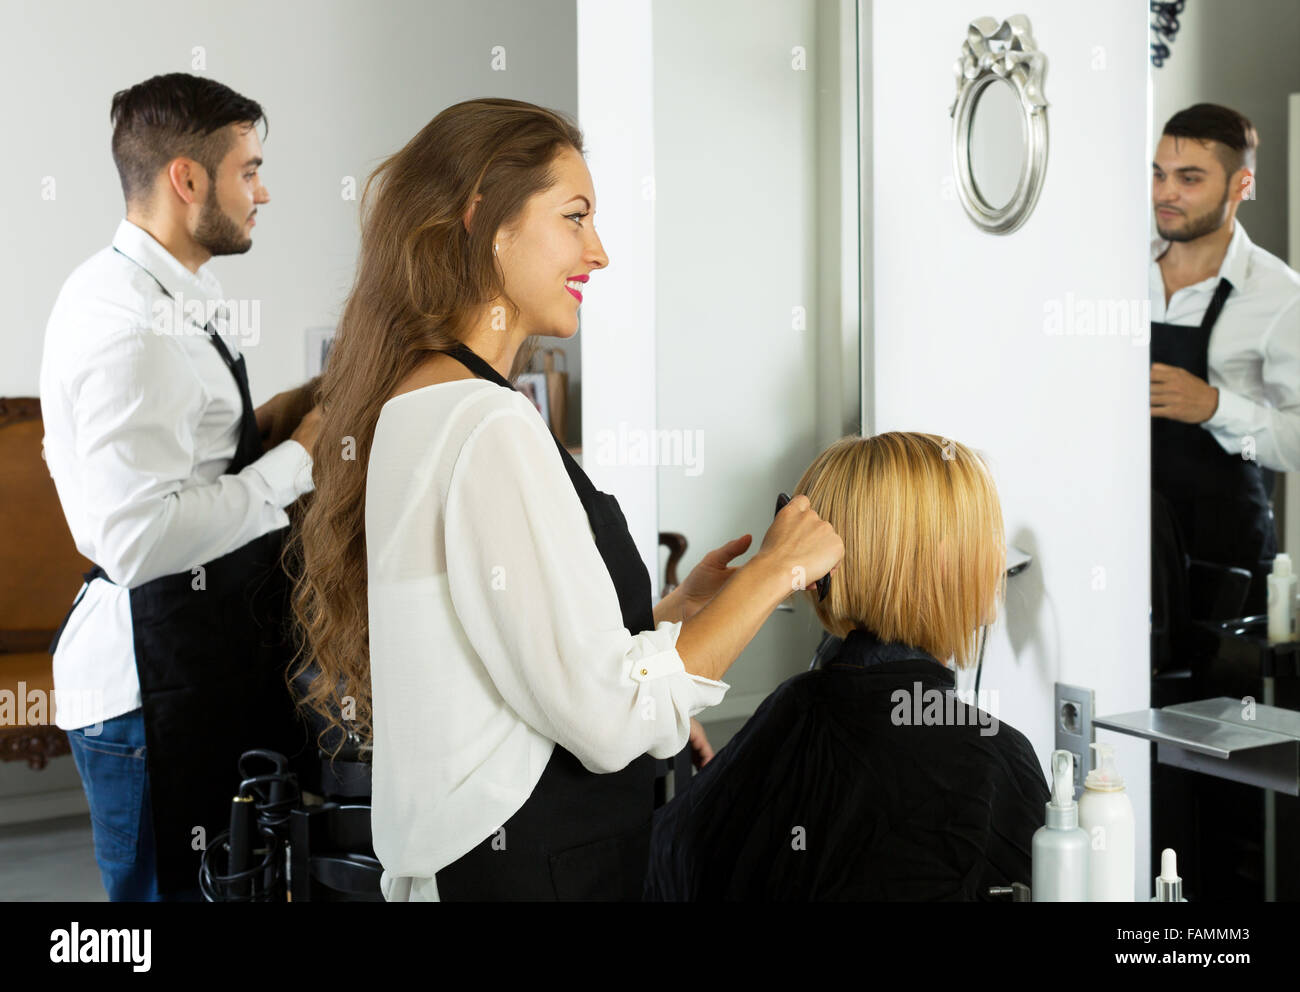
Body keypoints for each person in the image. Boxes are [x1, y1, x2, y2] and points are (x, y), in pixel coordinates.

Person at [288, 98, 843, 901]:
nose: (600, 252)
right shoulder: (486, 424)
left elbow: (522, 656)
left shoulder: (420, 399)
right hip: (526, 869)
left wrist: (671, 619)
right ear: (487, 218)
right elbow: (610, 717)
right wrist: (778, 573)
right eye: (574, 217)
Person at [40, 73, 321, 901]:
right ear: (187, 179)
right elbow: (138, 537)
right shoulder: (127, 322)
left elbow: (194, 453)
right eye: (250, 171)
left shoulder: (176, 290)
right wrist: (299, 460)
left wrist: (299, 410)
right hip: (145, 690)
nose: (263, 192)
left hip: (197, 654)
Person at [645, 432, 1049, 900]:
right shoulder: (993, 760)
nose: (997, 559)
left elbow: (663, 861)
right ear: (940, 563)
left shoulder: (790, 706)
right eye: (986, 539)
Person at [1150, 103, 1300, 617]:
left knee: (1221, 698)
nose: (1166, 193)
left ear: (1241, 186)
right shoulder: (1119, 268)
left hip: (1228, 557)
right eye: (1159, 174)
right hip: (1135, 546)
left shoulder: (1280, 296)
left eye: (1188, 178)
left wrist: (1215, 406)